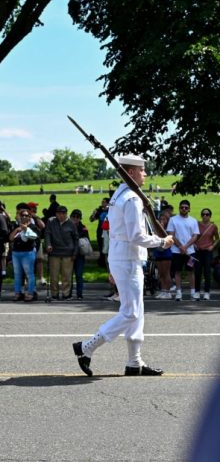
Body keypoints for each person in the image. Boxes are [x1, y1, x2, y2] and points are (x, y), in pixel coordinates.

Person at [72, 154, 174, 377]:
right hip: (128, 259)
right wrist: (161, 241)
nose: (145, 174)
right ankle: (87, 346)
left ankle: (134, 362)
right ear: (130, 172)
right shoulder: (132, 198)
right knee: (130, 312)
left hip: (124, 258)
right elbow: (136, 235)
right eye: (142, 170)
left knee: (137, 312)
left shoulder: (120, 194)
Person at [167, 200, 200, 301]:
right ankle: (178, 293)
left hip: (190, 252)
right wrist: (181, 246)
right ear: (179, 208)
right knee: (178, 271)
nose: (184, 209)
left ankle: (193, 293)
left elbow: (195, 235)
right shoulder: (173, 220)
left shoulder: (193, 220)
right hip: (176, 252)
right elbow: (171, 234)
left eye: (186, 207)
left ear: (189, 209)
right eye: (182, 207)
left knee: (191, 271)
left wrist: (186, 246)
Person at [44, 206, 78, 300]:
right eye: (59, 214)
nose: (61, 215)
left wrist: (75, 253)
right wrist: (48, 245)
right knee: (54, 276)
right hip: (54, 252)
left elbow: (76, 238)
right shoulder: (51, 222)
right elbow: (47, 234)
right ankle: (54, 294)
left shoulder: (71, 223)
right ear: (56, 214)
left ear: (66, 214)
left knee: (66, 276)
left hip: (68, 253)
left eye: (63, 213)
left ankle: (66, 294)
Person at [9, 207, 38, 302]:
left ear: (30, 217)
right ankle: (18, 292)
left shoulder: (33, 227)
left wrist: (26, 229)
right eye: (22, 215)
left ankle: (30, 293)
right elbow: (10, 238)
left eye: (26, 215)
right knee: (17, 274)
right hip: (16, 253)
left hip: (28, 253)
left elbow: (35, 238)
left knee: (29, 274)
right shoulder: (16, 226)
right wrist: (17, 230)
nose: (24, 217)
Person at [195, 208, 218, 300]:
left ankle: (207, 292)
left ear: (210, 216)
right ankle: (197, 291)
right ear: (201, 215)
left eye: (207, 214)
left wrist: (212, 246)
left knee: (207, 272)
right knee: (197, 272)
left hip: (208, 251)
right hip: (198, 251)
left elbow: (217, 238)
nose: (205, 216)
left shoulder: (213, 226)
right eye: (203, 214)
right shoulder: (197, 225)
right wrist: (194, 244)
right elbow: (193, 236)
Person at [69, 209, 90, 300]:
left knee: (79, 275)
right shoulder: (67, 226)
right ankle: (68, 293)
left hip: (79, 255)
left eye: (77, 217)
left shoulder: (83, 227)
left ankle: (79, 294)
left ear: (80, 218)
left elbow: (85, 240)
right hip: (68, 254)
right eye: (73, 216)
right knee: (68, 275)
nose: (75, 219)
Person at [153, 211, 174, 299]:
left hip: (166, 252)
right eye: (160, 219)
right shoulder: (156, 229)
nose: (162, 221)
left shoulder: (168, 230)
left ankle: (167, 291)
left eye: (164, 219)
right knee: (161, 273)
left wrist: (162, 227)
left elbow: (167, 238)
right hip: (158, 251)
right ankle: (163, 290)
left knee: (166, 272)